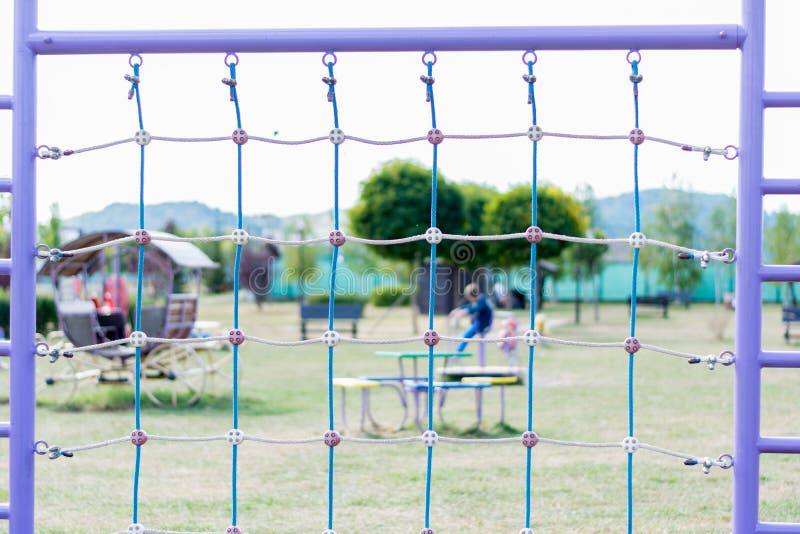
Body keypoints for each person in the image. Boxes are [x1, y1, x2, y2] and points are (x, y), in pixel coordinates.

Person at [449, 283, 493, 353]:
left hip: (484, 325)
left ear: (471, 296)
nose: (469, 299)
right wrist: (458, 309)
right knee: (465, 334)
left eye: (469, 298)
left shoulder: (482, 299)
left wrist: (465, 311)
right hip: (478, 324)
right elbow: (469, 306)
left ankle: (458, 352)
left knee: (466, 335)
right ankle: (458, 346)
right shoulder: (477, 300)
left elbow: (476, 308)